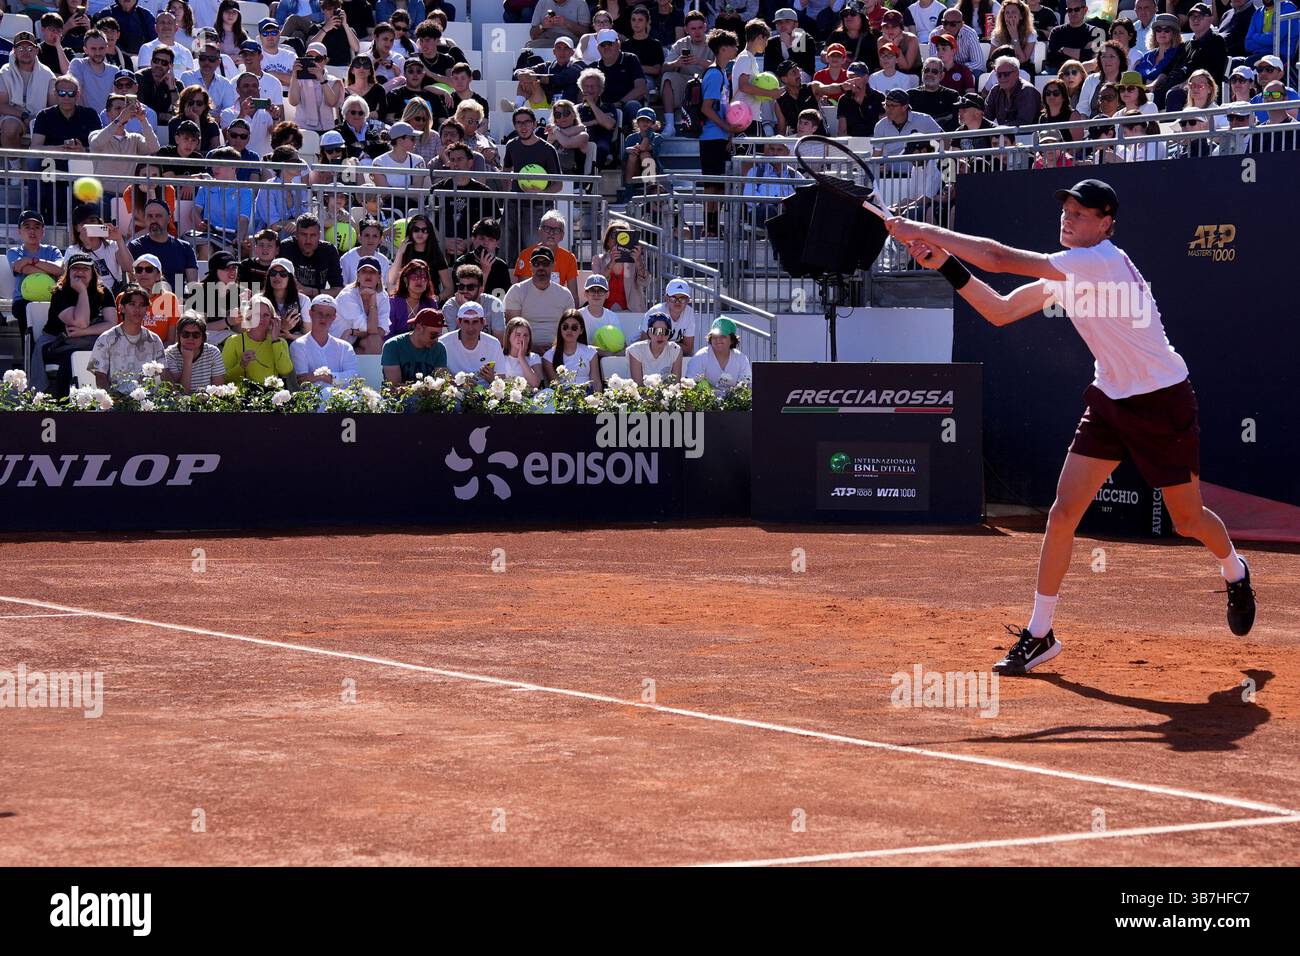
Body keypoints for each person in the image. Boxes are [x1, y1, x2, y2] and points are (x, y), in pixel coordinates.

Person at [888, 179, 1257, 674]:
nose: (1069, 218)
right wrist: (946, 266)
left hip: (1162, 400)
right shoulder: (1067, 272)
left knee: (1187, 520)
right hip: (1109, 399)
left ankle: (1234, 569)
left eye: (1081, 214)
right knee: (1062, 514)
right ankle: (1040, 634)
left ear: (1105, 224)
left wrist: (917, 226)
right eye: (1066, 209)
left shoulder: (1099, 261)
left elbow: (997, 258)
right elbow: (1000, 310)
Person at [38, 253, 119, 396]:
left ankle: (109, 397)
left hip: (88, 341)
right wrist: (82, 291)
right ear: (68, 272)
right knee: (72, 357)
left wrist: (84, 332)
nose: (80, 272)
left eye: (85, 268)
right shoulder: (60, 292)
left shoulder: (104, 291)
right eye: (75, 268)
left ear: (93, 273)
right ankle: (64, 402)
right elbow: (81, 322)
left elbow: (112, 324)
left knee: (105, 354)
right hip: (55, 342)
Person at [699, 28, 742, 237]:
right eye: (733, 45)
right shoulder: (715, 74)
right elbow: (706, 108)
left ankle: (714, 227)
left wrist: (729, 134)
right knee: (711, 186)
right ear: (723, 49)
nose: (736, 49)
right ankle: (709, 228)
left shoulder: (722, 73)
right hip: (710, 137)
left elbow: (723, 108)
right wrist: (727, 128)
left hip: (720, 137)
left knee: (719, 186)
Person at [89, 283, 165, 390]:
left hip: (148, 402)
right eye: (132, 304)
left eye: (142, 305)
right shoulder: (105, 339)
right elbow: (100, 377)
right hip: (116, 402)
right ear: (122, 308)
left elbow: (164, 373)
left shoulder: (154, 340)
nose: (137, 309)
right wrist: (111, 401)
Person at [502, 245, 575, 350]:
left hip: (557, 350)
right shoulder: (517, 291)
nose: (541, 267)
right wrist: (532, 349)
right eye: (536, 264)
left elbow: (570, 328)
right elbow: (514, 330)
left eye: (545, 264)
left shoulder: (565, 294)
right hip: (524, 350)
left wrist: (555, 350)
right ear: (531, 266)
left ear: (553, 266)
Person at [291, 293, 360, 389]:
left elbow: (354, 378)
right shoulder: (298, 345)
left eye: (328, 315)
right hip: (314, 401)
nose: (323, 318)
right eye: (319, 313)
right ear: (310, 313)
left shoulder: (345, 347)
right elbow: (303, 382)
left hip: (344, 399)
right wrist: (336, 379)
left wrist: (323, 376)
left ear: (334, 318)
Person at [0, 33, 56, 150]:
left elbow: (54, 106)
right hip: (13, 115)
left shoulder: (47, 74)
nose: (25, 52)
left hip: (39, 117)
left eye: (30, 48)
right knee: (10, 127)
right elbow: (1, 105)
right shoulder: (5, 72)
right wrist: (24, 116)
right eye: (20, 48)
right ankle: (15, 167)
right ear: (14, 51)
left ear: (36, 51)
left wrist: (38, 119)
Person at [222, 294, 294, 385]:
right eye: (257, 314)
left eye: (266, 315)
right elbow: (224, 379)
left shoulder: (279, 342)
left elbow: (285, 370)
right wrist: (241, 365)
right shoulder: (233, 341)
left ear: (272, 319)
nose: (261, 319)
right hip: (243, 397)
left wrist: (275, 340)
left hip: (271, 396)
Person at [127, 200, 198, 289]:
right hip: (147, 300)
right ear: (145, 219)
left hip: (177, 300)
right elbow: (132, 281)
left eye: (158, 216)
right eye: (149, 216)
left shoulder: (184, 247)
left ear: (169, 219)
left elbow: (193, 284)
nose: (154, 220)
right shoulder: (135, 246)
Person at [66, 205, 133, 297]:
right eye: (84, 224)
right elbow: (70, 279)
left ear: (99, 223)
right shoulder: (72, 251)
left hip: (112, 295)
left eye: (92, 221)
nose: (90, 225)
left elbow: (129, 268)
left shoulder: (112, 245)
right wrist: (87, 246)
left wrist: (119, 240)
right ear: (77, 228)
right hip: (86, 295)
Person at [662, 9, 712, 128]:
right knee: (667, 77)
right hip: (685, 82)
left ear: (705, 27)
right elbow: (664, 67)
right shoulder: (681, 44)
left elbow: (723, 67)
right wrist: (676, 63)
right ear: (686, 30)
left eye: (700, 27)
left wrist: (699, 62)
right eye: (693, 29)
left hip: (707, 83)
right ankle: (669, 125)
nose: (697, 32)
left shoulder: (713, 42)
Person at [332, 257, 390, 354]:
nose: (368, 275)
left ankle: (373, 370)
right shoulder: (347, 296)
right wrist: (358, 332)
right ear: (358, 275)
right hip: (338, 344)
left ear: (379, 276)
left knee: (375, 340)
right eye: (364, 271)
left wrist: (353, 332)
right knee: (373, 339)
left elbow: (381, 331)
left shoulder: (382, 296)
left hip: (357, 341)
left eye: (372, 272)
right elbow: (370, 329)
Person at [388, 212, 452, 299]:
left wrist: (437, 298)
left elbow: (449, 288)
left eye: (424, 230)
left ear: (429, 233)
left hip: (428, 300)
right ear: (410, 231)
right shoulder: (404, 253)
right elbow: (391, 280)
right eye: (416, 230)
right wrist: (400, 253)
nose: (420, 233)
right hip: (406, 300)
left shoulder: (436, 254)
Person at [278, 213, 343, 297]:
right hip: (290, 299)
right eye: (303, 234)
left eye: (313, 235)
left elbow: (338, 290)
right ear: (296, 235)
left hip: (317, 302)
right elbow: (271, 287)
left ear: (319, 235)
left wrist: (310, 291)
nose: (308, 240)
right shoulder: (285, 248)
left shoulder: (329, 251)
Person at [590, 219, 649, 312]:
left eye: (624, 235)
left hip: (631, 312)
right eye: (614, 235)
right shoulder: (598, 260)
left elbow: (645, 283)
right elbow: (597, 284)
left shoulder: (635, 260)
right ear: (607, 241)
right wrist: (611, 263)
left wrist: (638, 261)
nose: (618, 240)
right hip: (604, 312)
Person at [439, 300, 505, 379]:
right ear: (458, 322)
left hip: (486, 390)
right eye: (466, 322)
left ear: (483, 323)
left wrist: (492, 378)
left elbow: (502, 377)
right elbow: (439, 375)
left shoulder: (494, 344)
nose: (470, 327)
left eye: (475, 322)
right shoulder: (443, 343)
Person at [381, 306, 448, 384]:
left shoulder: (440, 348)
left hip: (428, 395)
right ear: (419, 328)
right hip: (397, 396)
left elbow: (440, 383)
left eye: (438, 335)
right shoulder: (392, 346)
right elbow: (394, 386)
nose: (436, 339)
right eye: (433, 334)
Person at [288, 42, 344, 132]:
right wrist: (294, 76)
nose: (313, 62)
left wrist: (322, 79)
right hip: (302, 128)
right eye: (310, 58)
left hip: (326, 128)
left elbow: (331, 103)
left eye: (318, 58)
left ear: (325, 60)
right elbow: (293, 102)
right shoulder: (299, 80)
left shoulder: (334, 81)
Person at [162, 312, 225, 392]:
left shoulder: (213, 352)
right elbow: (180, 393)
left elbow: (218, 391)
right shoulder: (170, 354)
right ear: (179, 335)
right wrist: (187, 361)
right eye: (186, 334)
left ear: (203, 337)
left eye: (196, 334)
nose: (190, 338)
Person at [454, 218, 513, 301]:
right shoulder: (462, 263)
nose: (486, 243)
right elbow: (464, 298)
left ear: (497, 243)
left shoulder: (501, 266)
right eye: (482, 238)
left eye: (491, 239)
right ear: (473, 239)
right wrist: (484, 272)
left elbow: (502, 299)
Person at [441, 263, 506, 339]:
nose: (465, 290)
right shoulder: (450, 306)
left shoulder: (495, 303)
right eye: (461, 286)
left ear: (481, 289)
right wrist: (464, 309)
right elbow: (454, 340)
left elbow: (500, 339)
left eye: (470, 287)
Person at [686, 316, 750, 392]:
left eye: (723, 336)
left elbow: (747, 386)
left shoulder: (741, 359)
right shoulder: (700, 357)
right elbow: (690, 385)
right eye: (715, 336)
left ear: (732, 340)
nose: (718, 340)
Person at [543, 308, 602, 389]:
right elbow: (556, 387)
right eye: (565, 327)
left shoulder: (591, 352)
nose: (569, 331)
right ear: (560, 329)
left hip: (588, 396)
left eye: (574, 327)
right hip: (564, 398)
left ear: (581, 330)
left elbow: (596, 383)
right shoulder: (548, 356)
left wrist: (596, 400)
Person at [1045, 0, 1104, 72]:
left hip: (1087, 74)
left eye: (1077, 9)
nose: (1073, 13)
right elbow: (1052, 59)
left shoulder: (1098, 32)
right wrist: (1082, 53)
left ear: (1085, 10)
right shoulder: (1056, 31)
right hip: (1061, 73)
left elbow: (1097, 59)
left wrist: (1063, 49)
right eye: (1069, 10)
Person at [262, 257, 312, 340]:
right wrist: (281, 327)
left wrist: (291, 336)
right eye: (273, 273)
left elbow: (308, 335)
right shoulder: (260, 299)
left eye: (283, 273)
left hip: (293, 345)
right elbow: (255, 332)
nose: (277, 276)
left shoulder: (303, 300)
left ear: (290, 278)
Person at [626, 309, 683, 382]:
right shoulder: (635, 350)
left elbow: (676, 384)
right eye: (655, 331)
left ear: (669, 334)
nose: (660, 335)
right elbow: (638, 386)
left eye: (664, 331)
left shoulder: (676, 350)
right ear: (649, 333)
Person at [985, 54, 1041, 126]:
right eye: (999, 74)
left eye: (1006, 74)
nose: (1002, 78)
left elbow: (1024, 122)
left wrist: (999, 130)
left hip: (1027, 135)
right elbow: (986, 117)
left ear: (1017, 73)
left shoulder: (1027, 90)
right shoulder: (995, 91)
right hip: (1003, 135)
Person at [908, 55, 962, 130]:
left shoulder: (952, 96)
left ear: (942, 75)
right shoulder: (911, 95)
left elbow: (956, 122)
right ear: (922, 72)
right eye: (926, 70)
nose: (929, 74)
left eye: (934, 71)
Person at [388, 260, 437, 338]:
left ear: (427, 282)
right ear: (405, 280)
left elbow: (433, 335)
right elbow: (388, 334)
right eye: (415, 277)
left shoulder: (431, 304)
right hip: (396, 347)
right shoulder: (393, 303)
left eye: (424, 277)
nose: (419, 280)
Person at [838, 60, 885, 135]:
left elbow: (883, 127)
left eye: (856, 77)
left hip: (874, 141)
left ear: (866, 78)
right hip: (851, 142)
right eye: (850, 77)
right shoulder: (844, 100)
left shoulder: (878, 97)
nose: (852, 81)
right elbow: (842, 131)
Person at [991, 0, 1036, 76]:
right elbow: (992, 59)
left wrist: (1014, 36)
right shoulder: (997, 33)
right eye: (1007, 13)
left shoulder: (1030, 34)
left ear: (1021, 16)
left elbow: (1022, 60)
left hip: (1023, 69)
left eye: (1013, 12)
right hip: (1002, 68)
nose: (1010, 15)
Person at [499, 316, 544, 387]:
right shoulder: (499, 356)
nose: (522, 339)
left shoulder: (534, 357)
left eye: (525, 335)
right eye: (518, 335)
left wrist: (521, 358)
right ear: (508, 336)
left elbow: (536, 384)